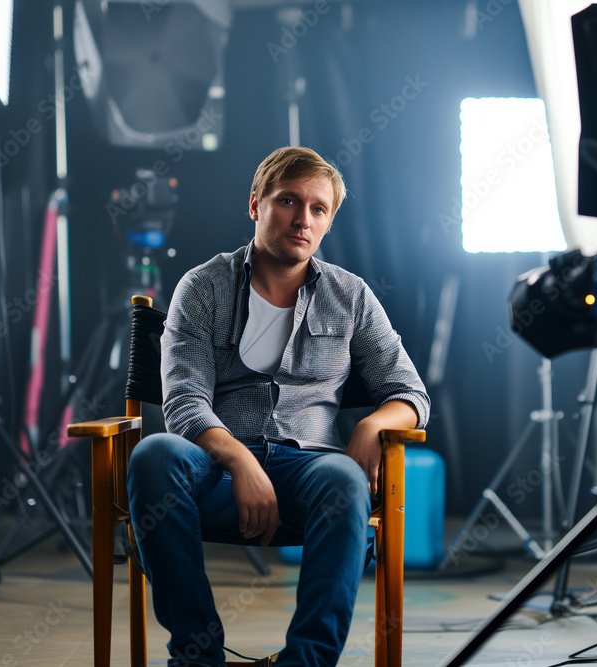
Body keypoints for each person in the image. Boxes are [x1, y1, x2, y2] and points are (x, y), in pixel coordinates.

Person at [127, 146, 430, 667]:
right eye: (288, 201)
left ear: (329, 222)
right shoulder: (202, 287)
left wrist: (374, 424)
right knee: (154, 455)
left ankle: (306, 662)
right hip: (215, 472)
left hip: (310, 468)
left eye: (318, 209)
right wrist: (240, 461)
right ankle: (197, 656)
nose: (302, 218)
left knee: (345, 479)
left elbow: (411, 394)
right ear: (255, 205)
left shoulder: (351, 296)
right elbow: (184, 403)